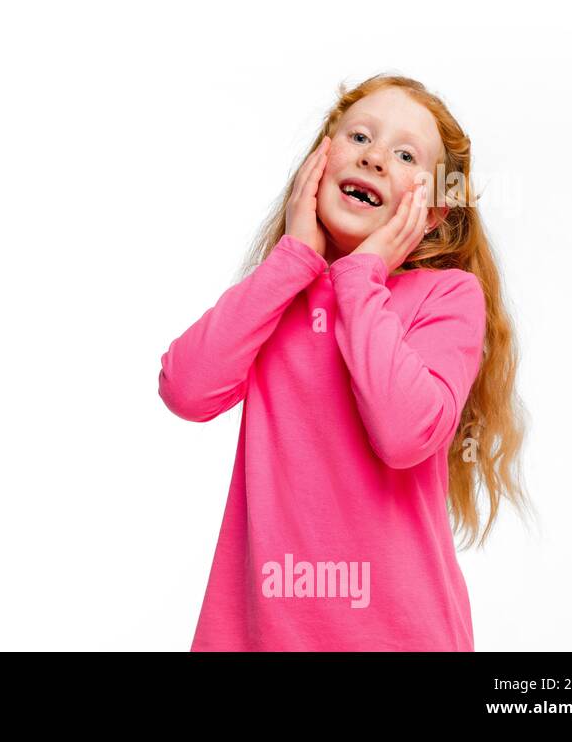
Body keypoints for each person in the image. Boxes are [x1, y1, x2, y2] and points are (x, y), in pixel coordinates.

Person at [157, 73, 534, 651]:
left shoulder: (448, 298)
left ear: (432, 213)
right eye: (359, 137)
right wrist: (292, 260)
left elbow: (405, 434)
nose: (376, 157)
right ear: (318, 164)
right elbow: (186, 388)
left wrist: (360, 278)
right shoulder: (278, 297)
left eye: (405, 154)